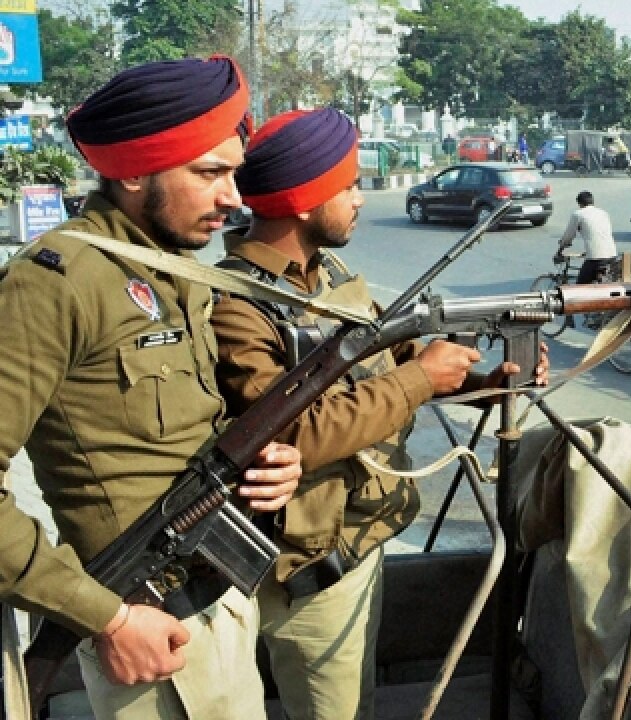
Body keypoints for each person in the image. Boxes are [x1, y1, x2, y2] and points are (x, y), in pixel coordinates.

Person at [210, 107, 548, 720]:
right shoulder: (237, 304)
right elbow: (292, 431)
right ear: (306, 200)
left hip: (361, 541)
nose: (360, 199)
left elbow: (398, 359)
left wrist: (481, 384)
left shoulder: (332, 275)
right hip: (306, 573)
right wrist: (422, 376)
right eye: (348, 186)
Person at [0, 56, 304, 718]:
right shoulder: (56, 281)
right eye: (210, 173)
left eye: (233, 171)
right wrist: (105, 618)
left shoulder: (175, 270)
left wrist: (264, 463)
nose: (234, 196)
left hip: (218, 601)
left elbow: (176, 432)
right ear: (135, 172)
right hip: (147, 630)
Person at [557, 190, 617, 285]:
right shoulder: (604, 213)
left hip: (595, 258)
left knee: (581, 285)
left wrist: (560, 249)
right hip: (612, 254)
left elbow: (568, 236)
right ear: (592, 201)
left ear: (579, 203)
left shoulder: (578, 214)